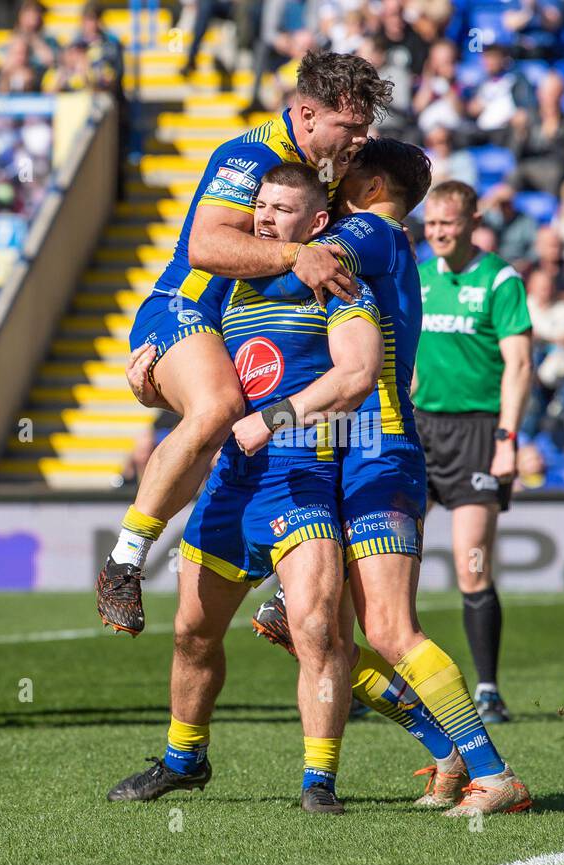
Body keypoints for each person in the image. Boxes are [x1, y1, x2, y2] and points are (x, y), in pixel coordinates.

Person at [139, 143, 532, 814]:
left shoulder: (369, 230)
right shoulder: (386, 245)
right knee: (308, 629)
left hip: (377, 446)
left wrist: (203, 269)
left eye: (339, 182)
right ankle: (447, 753)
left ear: (370, 185)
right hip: (342, 451)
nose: (331, 185)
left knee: (388, 628)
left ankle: (496, 777)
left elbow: (292, 265)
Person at [107, 164, 384, 814]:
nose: (263, 219)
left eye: (282, 210)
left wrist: (276, 418)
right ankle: (184, 760)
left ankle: (320, 781)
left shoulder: (336, 284)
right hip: (232, 480)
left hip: (300, 475)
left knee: (315, 628)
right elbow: (174, 360)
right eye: (260, 206)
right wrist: (146, 376)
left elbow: (356, 376)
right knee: (192, 635)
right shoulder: (222, 287)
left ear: (316, 224)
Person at [95, 51, 389, 637]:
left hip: (249, 330)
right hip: (186, 309)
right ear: (306, 115)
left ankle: (296, 592)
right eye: (349, 127)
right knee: (219, 407)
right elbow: (205, 245)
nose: (361, 139)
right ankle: (125, 560)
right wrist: (292, 252)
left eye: (365, 127)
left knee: (334, 419)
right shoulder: (249, 156)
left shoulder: (329, 171)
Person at [412, 180, 533, 724]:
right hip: (418, 428)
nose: (437, 233)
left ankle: (487, 689)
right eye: (431, 223)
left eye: (448, 223)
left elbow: (520, 365)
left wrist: (508, 438)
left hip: (479, 434)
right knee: (387, 561)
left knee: (471, 564)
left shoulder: (499, 280)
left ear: (472, 222)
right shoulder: (416, 275)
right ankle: (392, 685)